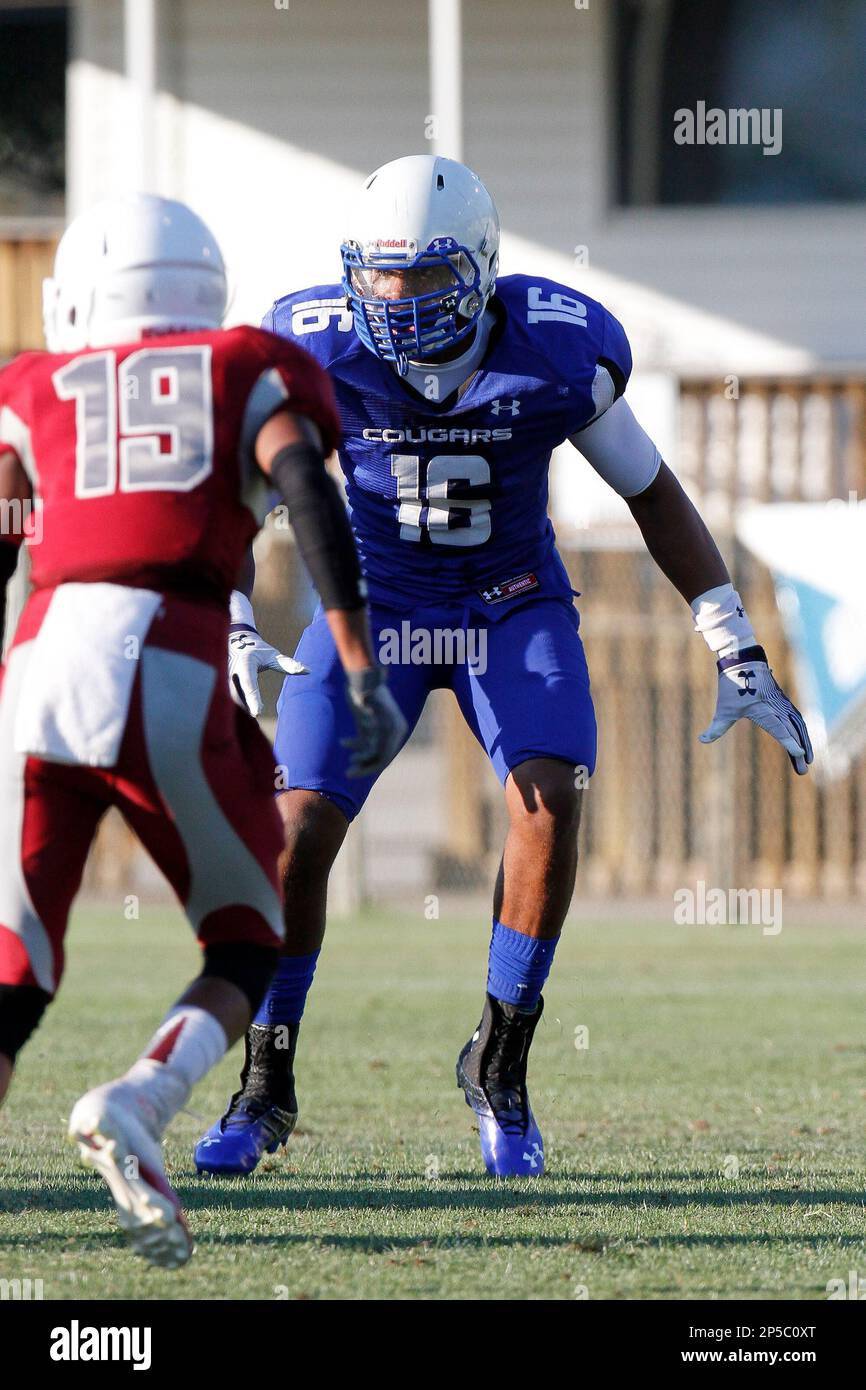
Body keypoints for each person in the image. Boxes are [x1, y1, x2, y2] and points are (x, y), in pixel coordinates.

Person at [196, 155, 812, 1181]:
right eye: (376, 278)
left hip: (507, 604)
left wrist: (730, 639)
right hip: (375, 609)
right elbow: (241, 499)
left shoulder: (554, 349)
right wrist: (227, 620)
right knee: (296, 827)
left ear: (478, 268)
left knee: (548, 797)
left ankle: (500, 1064)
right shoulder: (314, 345)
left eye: (422, 279)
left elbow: (650, 492)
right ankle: (265, 1080)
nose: (393, 304)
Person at [0, 192, 404, 1266]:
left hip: (38, 659)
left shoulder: (35, 383)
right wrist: (357, 656)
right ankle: (139, 1098)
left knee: (14, 963)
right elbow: (306, 493)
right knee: (244, 935)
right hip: (166, 648)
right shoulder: (244, 368)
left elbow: (3, 523)